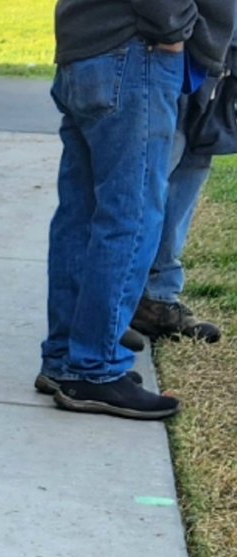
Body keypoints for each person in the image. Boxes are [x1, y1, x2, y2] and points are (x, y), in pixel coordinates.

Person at [39, 1, 196, 419]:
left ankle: (64, 360)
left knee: (80, 218)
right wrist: (174, 30)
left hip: (85, 48)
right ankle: (95, 367)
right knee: (130, 216)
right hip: (134, 53)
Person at [131, 25, 237, 345]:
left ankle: (157, 297)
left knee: (192, 166)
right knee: (148, 178)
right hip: (173, 45)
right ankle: (114, 302)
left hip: (220, 53)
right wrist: (173, 33)